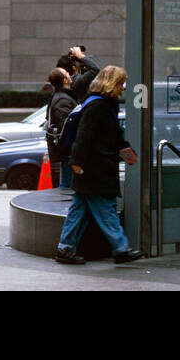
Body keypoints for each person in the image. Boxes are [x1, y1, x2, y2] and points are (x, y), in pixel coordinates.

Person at [55, 65, 143, 265]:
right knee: (106, 209)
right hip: (96, 169)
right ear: (112, 84)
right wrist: (77, 163)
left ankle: (65, 248)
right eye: (121, 83)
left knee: (80, 210)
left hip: (90, 168)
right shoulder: (99, 106)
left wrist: (126, 151)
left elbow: (107, 136)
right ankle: (120, 248)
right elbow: (84, 136)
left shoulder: (100, 103)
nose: (123, 88)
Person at [45, 67, 76, 188]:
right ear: (65, 80)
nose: (69, 73)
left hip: (68, 150)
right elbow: (67, 126)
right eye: (67, 73)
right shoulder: (62, 99)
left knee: (67, 183)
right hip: (68, 150)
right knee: (66, 185)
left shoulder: (61, 97)